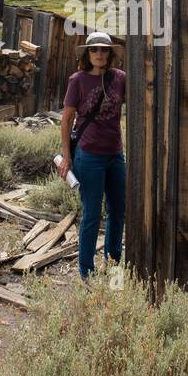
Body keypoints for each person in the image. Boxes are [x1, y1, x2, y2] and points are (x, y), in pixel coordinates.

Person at [58, 31, 126, 278]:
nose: (99, 54)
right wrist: (67, 157)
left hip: (115, 154)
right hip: (89, 156)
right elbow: (66, 121)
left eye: (104, 50)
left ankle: (113, 263)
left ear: (110, 54)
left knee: (118, 211)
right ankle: (86, 271)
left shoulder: (120, 78)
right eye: (94, 49)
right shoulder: (77, 80)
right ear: (87, 53)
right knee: (92, 214)